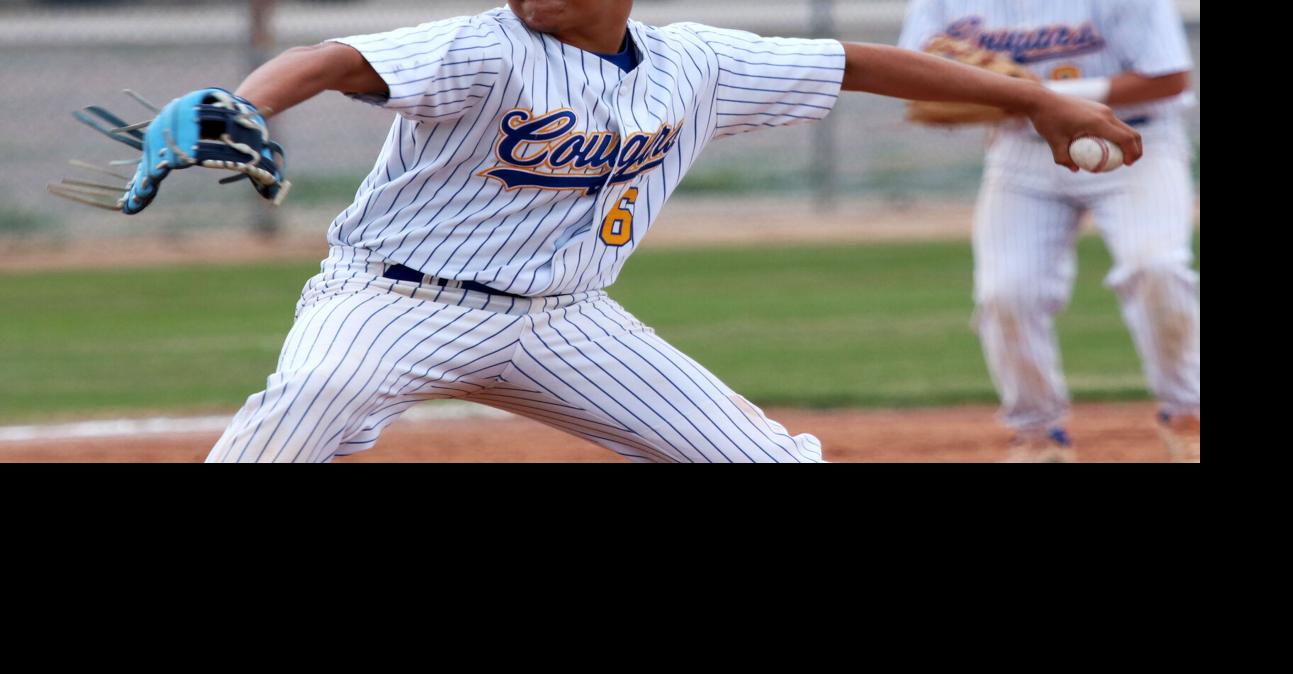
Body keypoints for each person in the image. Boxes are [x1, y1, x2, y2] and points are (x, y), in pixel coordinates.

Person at [195, 0, 1137, 463]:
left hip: (564, 321)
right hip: (394, 298)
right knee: (311, 397)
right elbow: (329, 59)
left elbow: (857, 63)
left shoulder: (697, 63)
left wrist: (1032, 100)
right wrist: (238, 104)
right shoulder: (482, 44)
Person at [899, 0, 1201, 462]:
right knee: (1006, 293)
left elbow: (1170, 76)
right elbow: (910, 74)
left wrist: (1049, 95)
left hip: (1135, 142)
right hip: (1022, 149)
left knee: (1156, 266)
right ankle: (1037, 434)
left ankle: (1187, 413)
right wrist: (1011, 98)